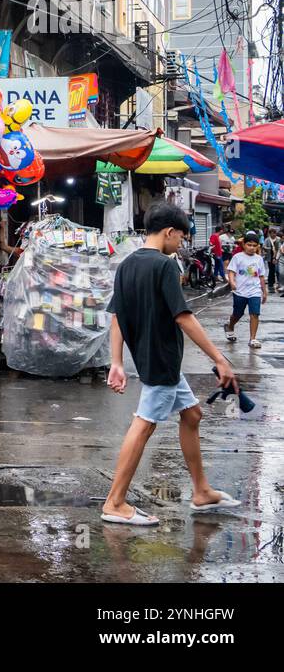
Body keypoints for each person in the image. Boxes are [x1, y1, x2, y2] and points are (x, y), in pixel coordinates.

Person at [100, 202, 240, 527]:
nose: (181, 244)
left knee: (192, 414)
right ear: (169, 232)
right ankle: (115, 501)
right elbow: (184, 318)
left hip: (154, 359)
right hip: (162, 359)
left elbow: (117, 317)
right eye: (181, 238)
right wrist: (219, 358)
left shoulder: (126, 265)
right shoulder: (165, 266)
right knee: (144, 423)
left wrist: (117, 362)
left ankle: (202, 491)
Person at [225, 232, 268, 349]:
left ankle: (253, 339)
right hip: (240, 291)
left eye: (254, 245)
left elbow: (261, 276)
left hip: (254, 291)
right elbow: (231, 272)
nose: (252, 248)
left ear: (258, 246)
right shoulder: (237, 257)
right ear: (244, 244)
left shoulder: (259, 259)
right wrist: (232, 282)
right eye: (249, 245)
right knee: (238, 314)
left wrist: (264, 291)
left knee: (255, 314)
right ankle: (230, 325)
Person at [264, 227, 280, 295]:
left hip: (278, 257)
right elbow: (264, 247)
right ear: (270, 234)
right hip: (269, 257)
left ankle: (279, 284)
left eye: (274, 233)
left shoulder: (279, 239)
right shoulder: (267, 239)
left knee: (278, 271)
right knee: (271, 271)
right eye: (272, 233)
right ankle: (271, 285)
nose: (273, 234)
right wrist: (269, 248)